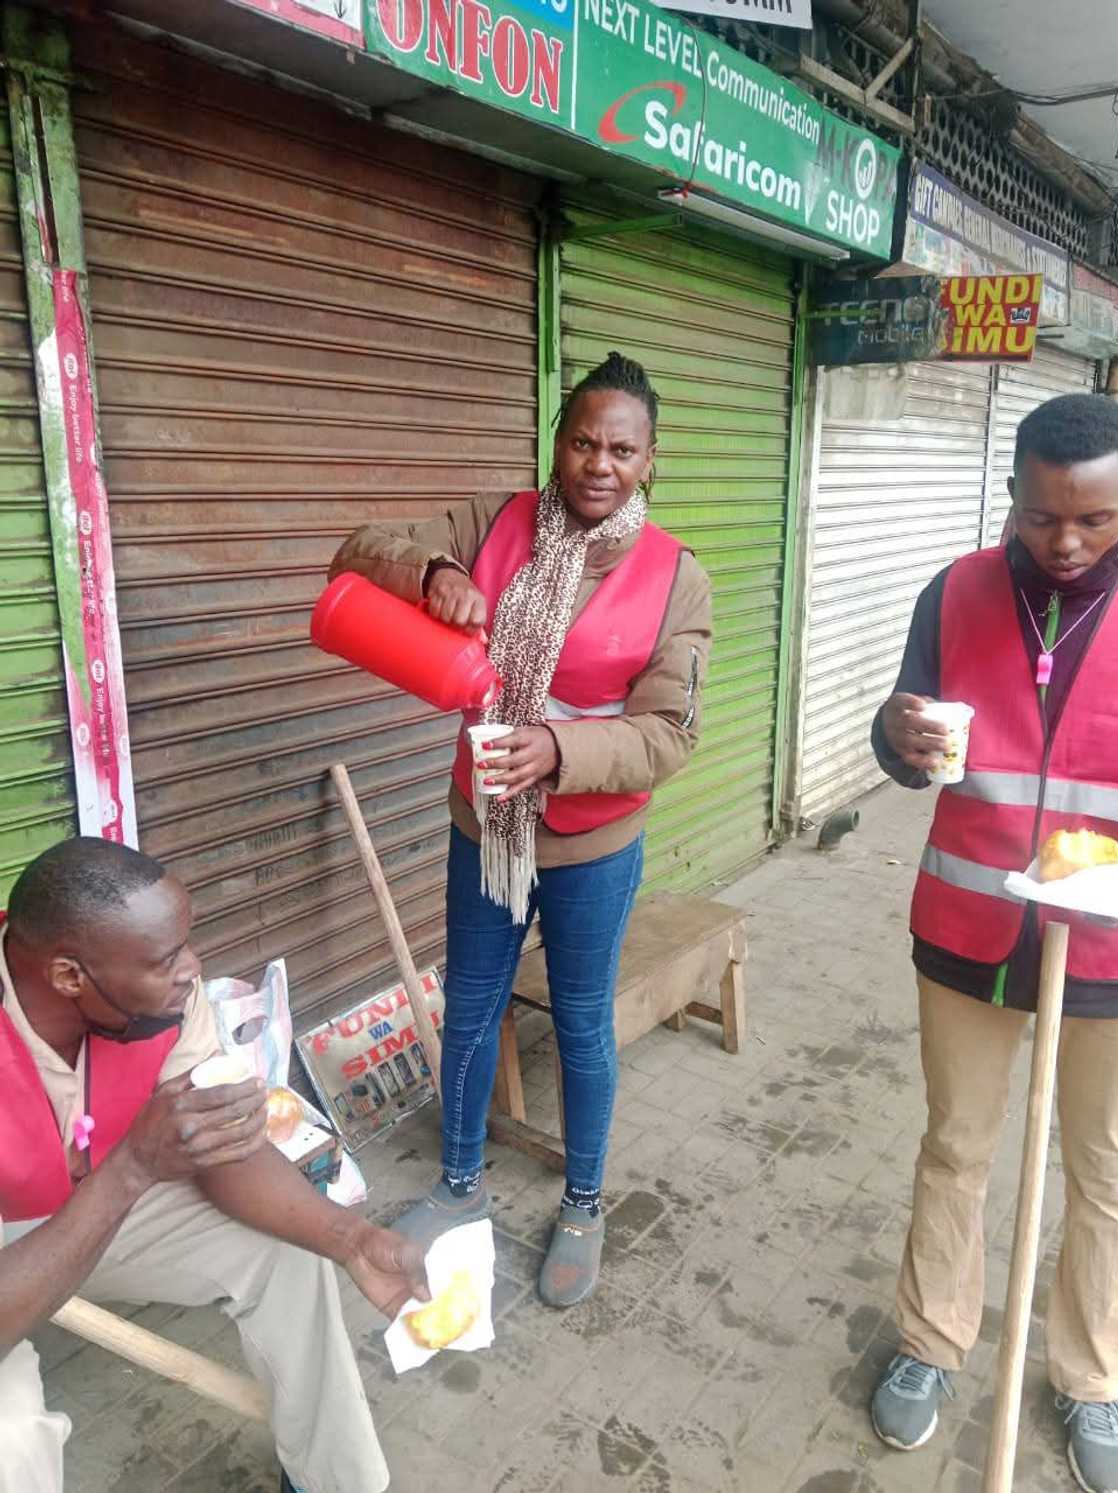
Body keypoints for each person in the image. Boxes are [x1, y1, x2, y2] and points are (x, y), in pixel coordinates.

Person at [329, 351, 712, 1307]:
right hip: (485, 820)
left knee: (581, 1020)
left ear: (649, 461)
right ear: (556, 444)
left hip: (593, 841)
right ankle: (459, 1187)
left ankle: (583, 1200)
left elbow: (670, 732)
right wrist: (435, 569)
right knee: (471, 1003)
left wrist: (559, 748)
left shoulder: (676, 577)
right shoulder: (494, 522)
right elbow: (358, 550)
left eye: (622, 448)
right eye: (582, 440)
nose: (599, 463)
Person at [0, 836, 428, 1493]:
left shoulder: (161, 999)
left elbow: (220, 1151)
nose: (192, 969)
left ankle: (334, 1479)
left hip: (104, 1207)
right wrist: (135, 1165)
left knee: (294, 1248)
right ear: (68, 975)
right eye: (167, 957)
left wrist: (351, 1237)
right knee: (11, 1444)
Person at [868, 393, 1118, 1493]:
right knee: (955, 1147)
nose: (1065, 543)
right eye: (1041, 517)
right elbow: (900, 729)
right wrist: (895, 734)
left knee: (1103, 1173)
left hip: (1110, 951)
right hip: (968, 924)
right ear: (1009, 498)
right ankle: (931, 1341)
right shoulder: (955, 589)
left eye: (1097, 521)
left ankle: (1092, 1373)